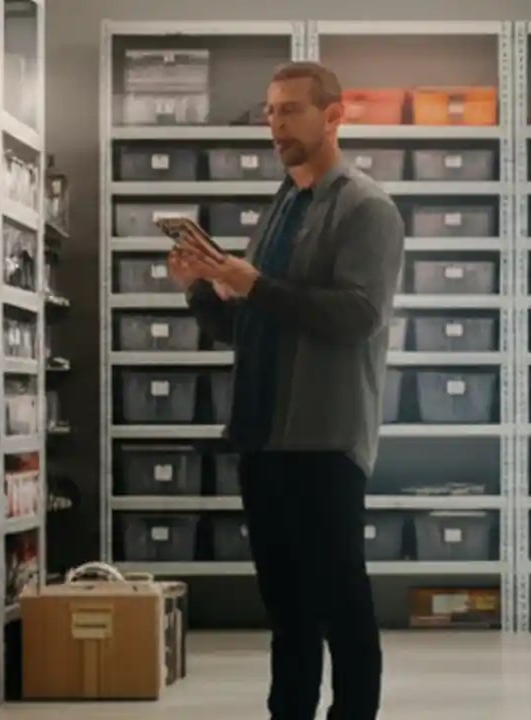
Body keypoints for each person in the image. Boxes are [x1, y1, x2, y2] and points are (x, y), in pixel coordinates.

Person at [167, 61, 404, 720]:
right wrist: (194, 288)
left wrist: (254, 285)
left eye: (291, 110)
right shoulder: (279, 207)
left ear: (334, 116)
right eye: (270, 111)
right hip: (263, 436)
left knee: (341, 608)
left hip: (323, 439)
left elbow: (359, 316)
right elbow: (246, 327)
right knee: (287, 612)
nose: (275, 124)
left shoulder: (366, 207)